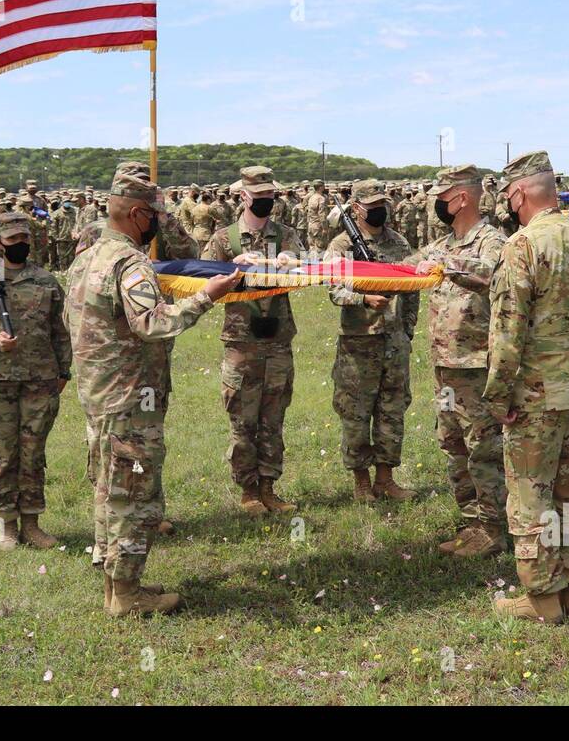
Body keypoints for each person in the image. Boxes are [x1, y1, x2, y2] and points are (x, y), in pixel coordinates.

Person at [68, 170, 238, 616]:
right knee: (133, 494)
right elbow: (152, 324)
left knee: (109, 489)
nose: (160, 225)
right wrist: (206, 296)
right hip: (129, 399)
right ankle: (127, 596)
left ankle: (114, 584)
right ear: (139, 214)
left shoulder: (87, 256)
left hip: (99, 394)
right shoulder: (130, 264)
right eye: (157, 216)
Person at [484, 150, 569, 624]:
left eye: (507, 195)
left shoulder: (522, 247)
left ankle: (541, 600)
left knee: (530, 495)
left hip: (536, 396)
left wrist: (498, 396)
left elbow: (507, 333)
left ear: (519, 193)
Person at [403, 165, 509, 558]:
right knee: (451, 443)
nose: (436, 205)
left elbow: (491, 275)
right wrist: (345, 271)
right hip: (444, 367)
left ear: (461, 197)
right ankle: (471, 521)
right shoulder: (440, 244)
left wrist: (449, 268)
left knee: (483, 447)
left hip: (476, 366)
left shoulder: (493, 242)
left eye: (441, 196)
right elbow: (403, 270)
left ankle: (493, 527)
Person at [0, 212, 72, 552]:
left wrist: (63, 371)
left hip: (40, 381)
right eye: (12, 241)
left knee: (33, 454)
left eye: (24, 239)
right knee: (3, 456)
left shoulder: (46, 281)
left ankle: (33, 524)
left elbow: (61, 330)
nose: (20, 245)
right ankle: (5, 526)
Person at [202, 166, 306, 515]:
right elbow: (201, 276)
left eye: (269, 197)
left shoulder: (285, 235)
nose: (266, 202)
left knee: (273, 418)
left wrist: (292, 262)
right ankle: (248, 491)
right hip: (241, 341)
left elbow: (305, 265)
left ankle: (269, 487)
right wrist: (231, 265)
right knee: (243, 420)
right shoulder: (224, 238)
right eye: (259, 197)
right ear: (243, 197)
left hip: (277, 339)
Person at [324, 180, 419, 502]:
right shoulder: (341, 246)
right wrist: (363, 299)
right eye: (372, 204)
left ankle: (386, 479)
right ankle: (361, 482)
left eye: (383, 203)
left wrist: (407, 331)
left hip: (394, 341)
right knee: (355, 412)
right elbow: (334, 290)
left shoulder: (399, 243)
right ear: (355, 208)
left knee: (392, 410)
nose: (380, 209)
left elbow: (412, 290)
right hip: (358, 341)